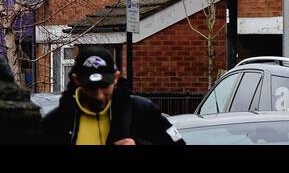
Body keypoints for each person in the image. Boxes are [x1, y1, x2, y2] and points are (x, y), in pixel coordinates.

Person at [43, 49, 184, 145]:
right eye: (91, 87)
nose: (98, 95)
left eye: (104, 85)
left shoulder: (142, 112)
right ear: (76, 80)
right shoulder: (56, 122)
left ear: (116, 78)